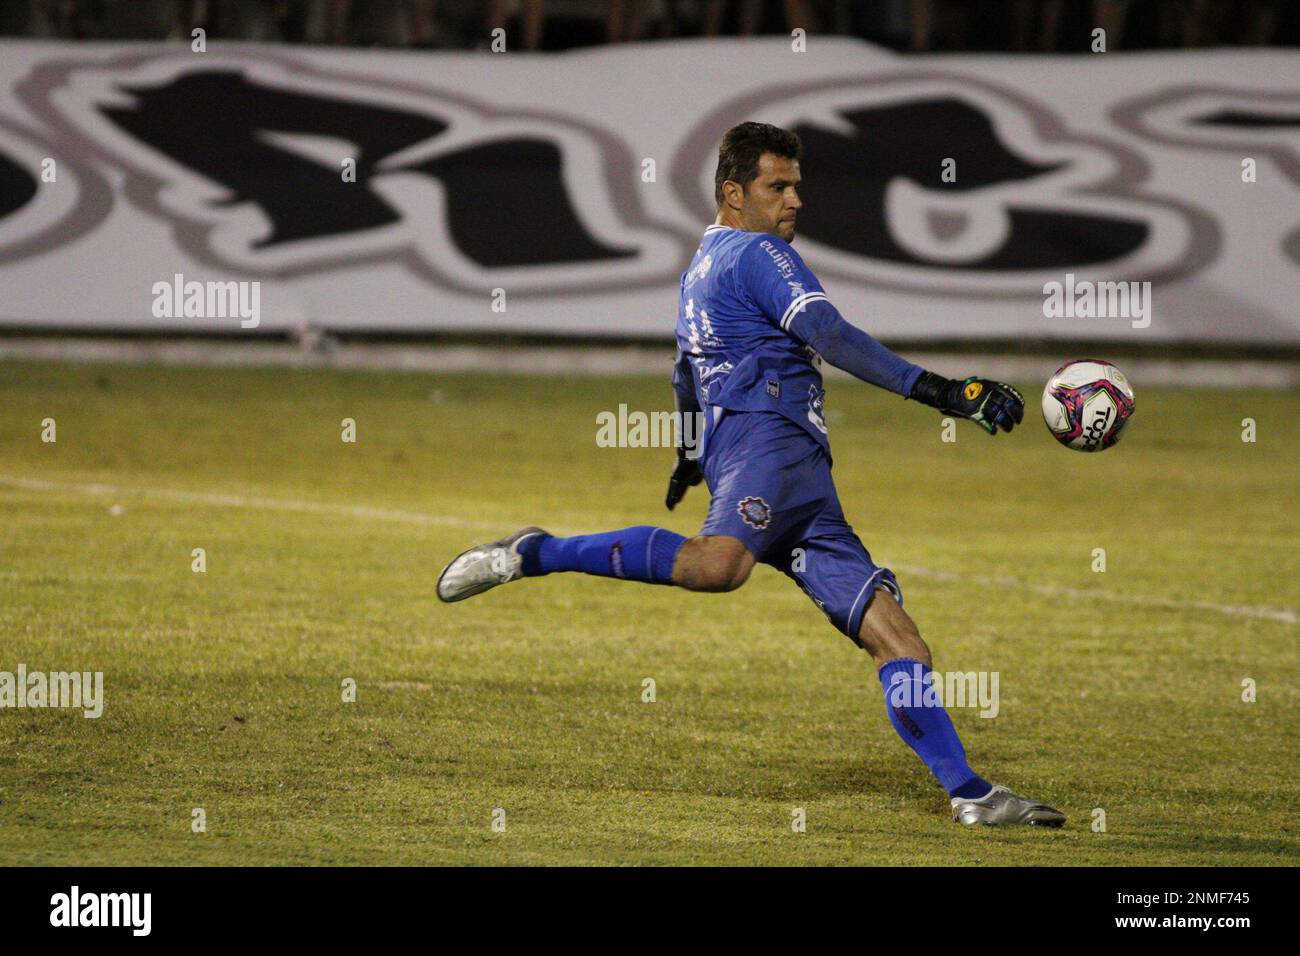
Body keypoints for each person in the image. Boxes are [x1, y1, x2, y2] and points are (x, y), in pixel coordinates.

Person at [438, 121, 1064, 827]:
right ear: (734, 193)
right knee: (718, 567)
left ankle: (971, 795)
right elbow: (827, 333)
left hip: (808, 483)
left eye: (796, 184)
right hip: (766, 452)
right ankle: (537, 552)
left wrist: (685, 451)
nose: (795, 199)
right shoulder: (757, 253)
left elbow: (686, 369)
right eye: (778, 186)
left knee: (898, 638)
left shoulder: (700, 266)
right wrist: (946, 392)